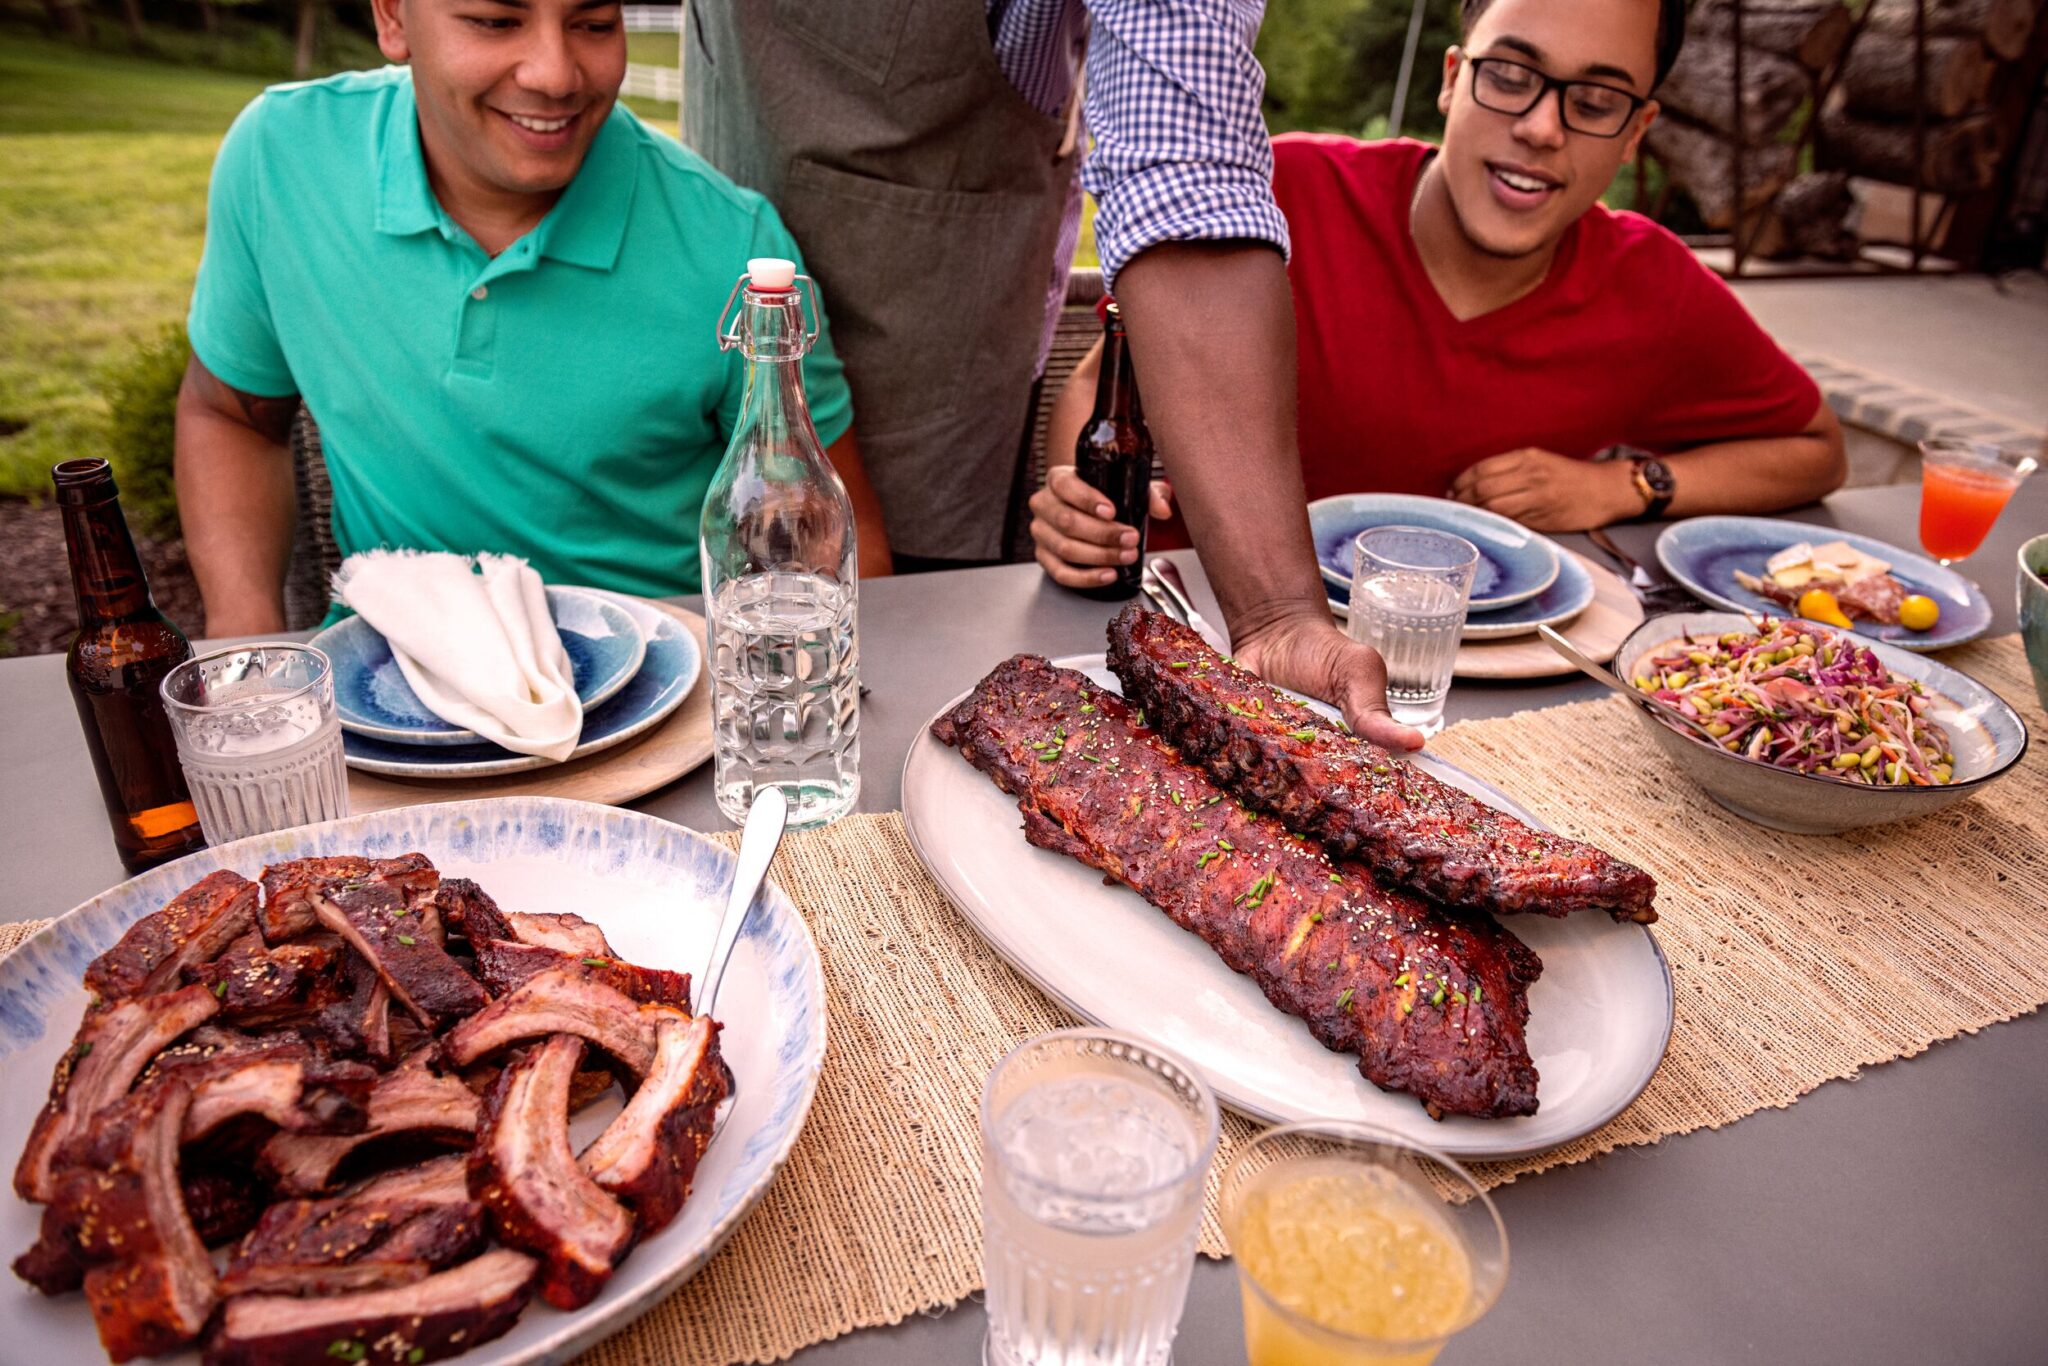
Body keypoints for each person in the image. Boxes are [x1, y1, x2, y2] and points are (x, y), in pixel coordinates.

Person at [686, 1, 1424, 751]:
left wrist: (1276, 616)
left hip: (934, 309)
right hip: (719, 239)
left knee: (893, 710)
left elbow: (1182, 166)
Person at [1032, 0, 1847, 574]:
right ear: (1453, 78)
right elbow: (1099, 385)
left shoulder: (1654, 285)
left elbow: (1816, 452)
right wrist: (1082, 508)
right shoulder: (1281, 194)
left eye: (1596, 102)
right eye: (1511, 76)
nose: (1541, 128)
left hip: (1479, 684)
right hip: (1196, 635)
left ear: (1636, 132)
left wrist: (1623, 485)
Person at [175, 0, 893, 638]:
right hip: (385, 695)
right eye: (496, 21)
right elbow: (232, 414)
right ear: (392, 16)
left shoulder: (736, 252)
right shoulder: (280, 159)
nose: (555, 74)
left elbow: (842, 553)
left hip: (668, 696)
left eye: (593, 23)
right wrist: (244, 647)